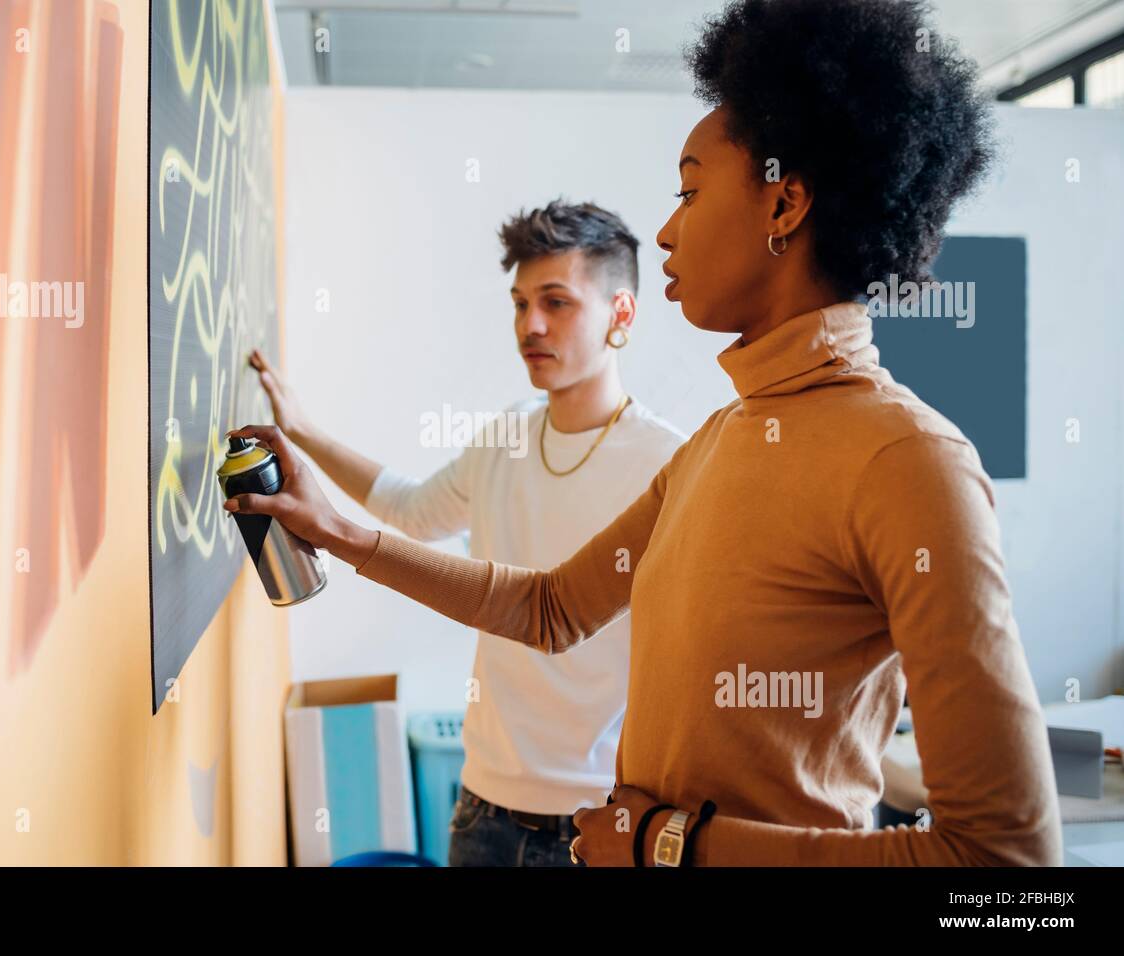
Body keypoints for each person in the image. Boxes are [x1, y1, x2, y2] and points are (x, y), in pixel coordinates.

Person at [227, 0, 1060, 866]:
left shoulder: (909, 461)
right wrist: (335, 529)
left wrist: (670, 843)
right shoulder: (716, 443)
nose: (666, 228)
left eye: (690, 190)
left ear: (786, 201)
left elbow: (1005, 866)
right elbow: (547, 610)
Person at [247, 201, 685, 866]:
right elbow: (412, 508)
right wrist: (303, 434)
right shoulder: (509, 432)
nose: (530, 326)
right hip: (483, 808)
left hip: (603, 820)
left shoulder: (669, 463)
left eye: (557, 302)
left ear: (621, 313)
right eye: (519, 303)